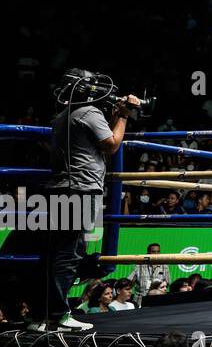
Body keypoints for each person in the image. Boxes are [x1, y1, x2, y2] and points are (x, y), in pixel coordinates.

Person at [26, 69, 141, 333]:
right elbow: (111, 144)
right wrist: (123, 115)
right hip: (80, 189)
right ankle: (59, 316)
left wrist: (116, 115)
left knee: (53, 253)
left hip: (59, 188)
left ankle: (40, 316)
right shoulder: (89, 113)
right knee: (68, 254)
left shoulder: (63, 116)